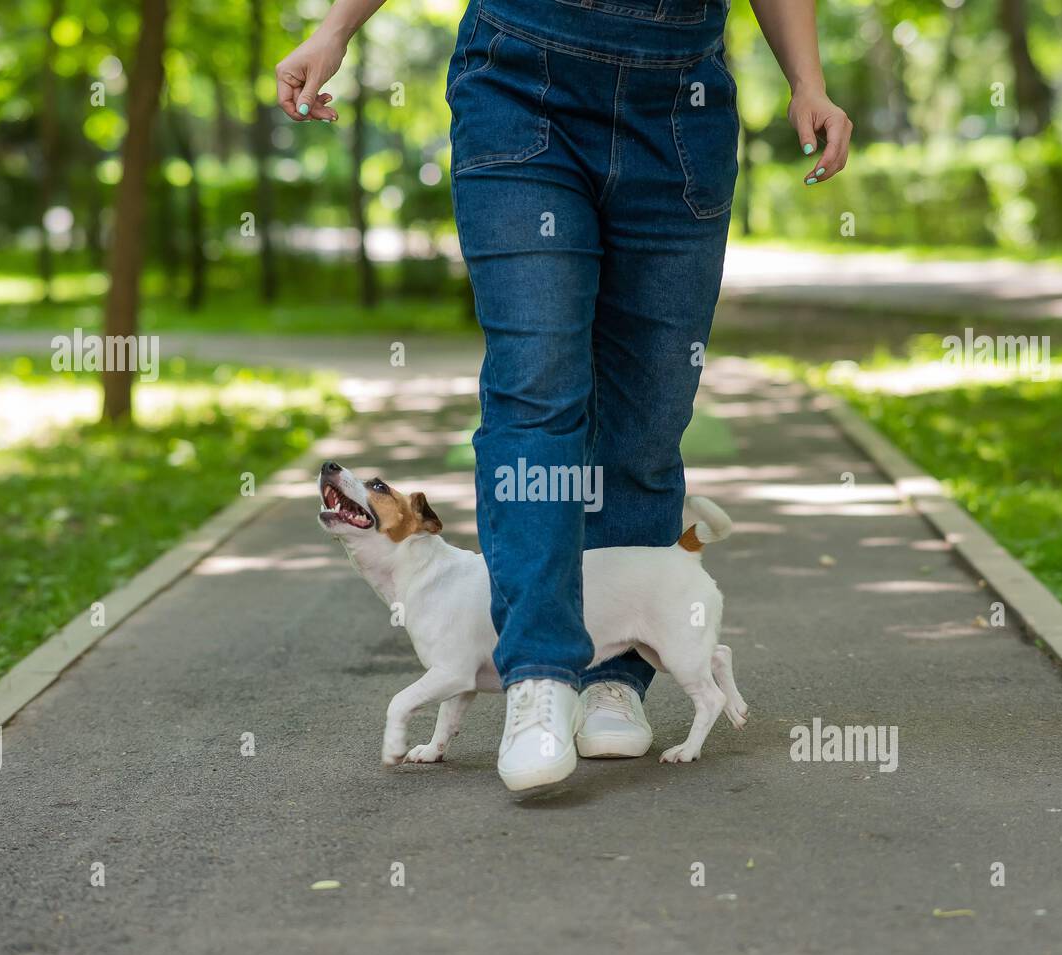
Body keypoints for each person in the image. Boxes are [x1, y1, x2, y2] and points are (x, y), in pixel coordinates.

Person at [277, 0, 851, 792]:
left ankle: (615, 668)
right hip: (521, 85)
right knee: (537, 387)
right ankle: (540, 676)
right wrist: (334, 29)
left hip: (677, 103)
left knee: (651, 404)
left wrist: (807, 79)